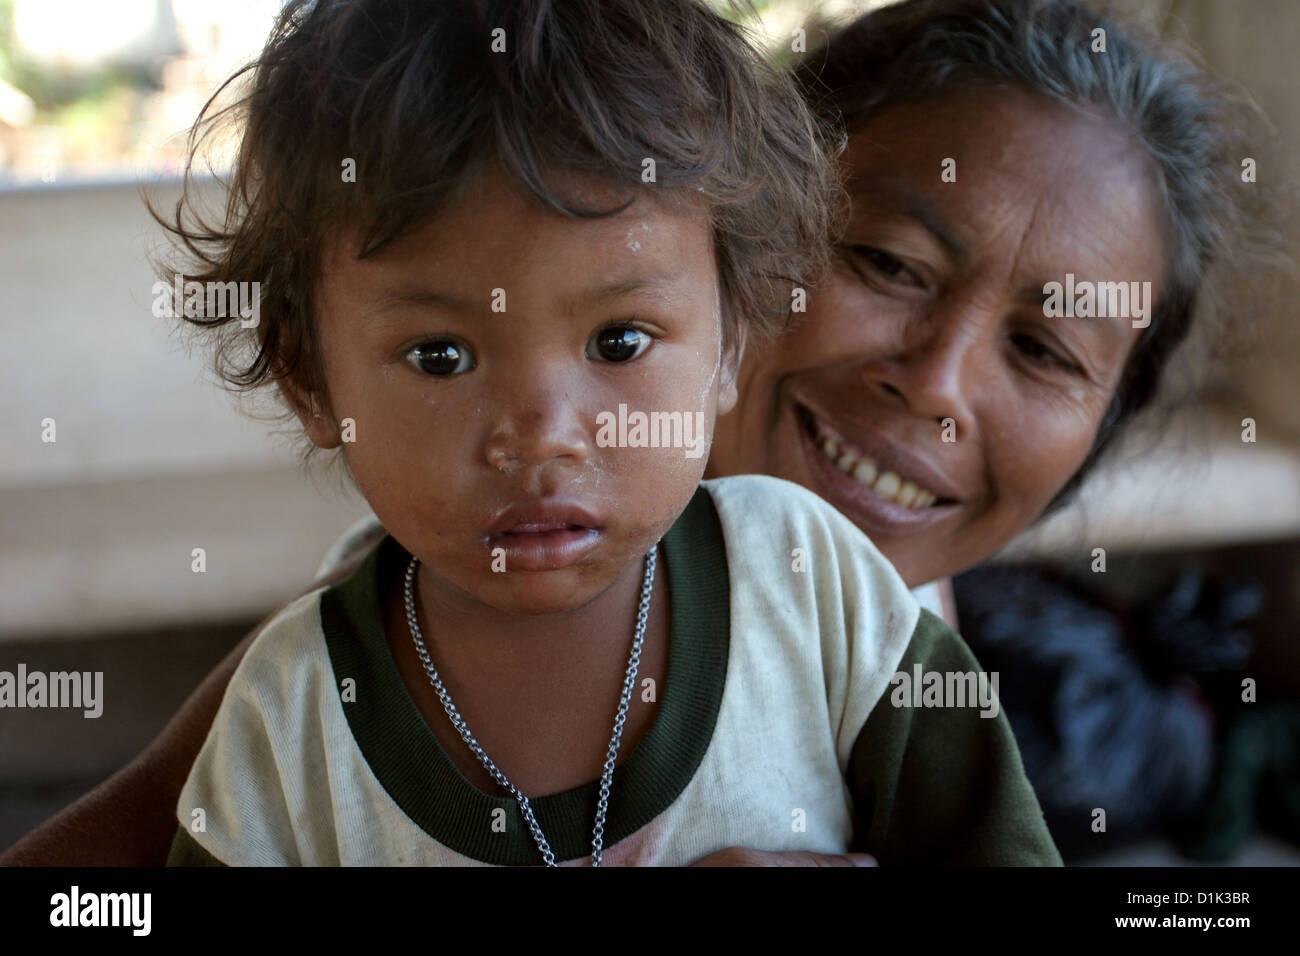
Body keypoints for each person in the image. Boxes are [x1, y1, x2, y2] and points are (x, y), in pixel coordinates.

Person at [3, 0, 1257, 866]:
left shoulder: (876, 635)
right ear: (753, 246)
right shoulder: (370, 660)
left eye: (1045, 347)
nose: (936, 383)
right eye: (884, 261)